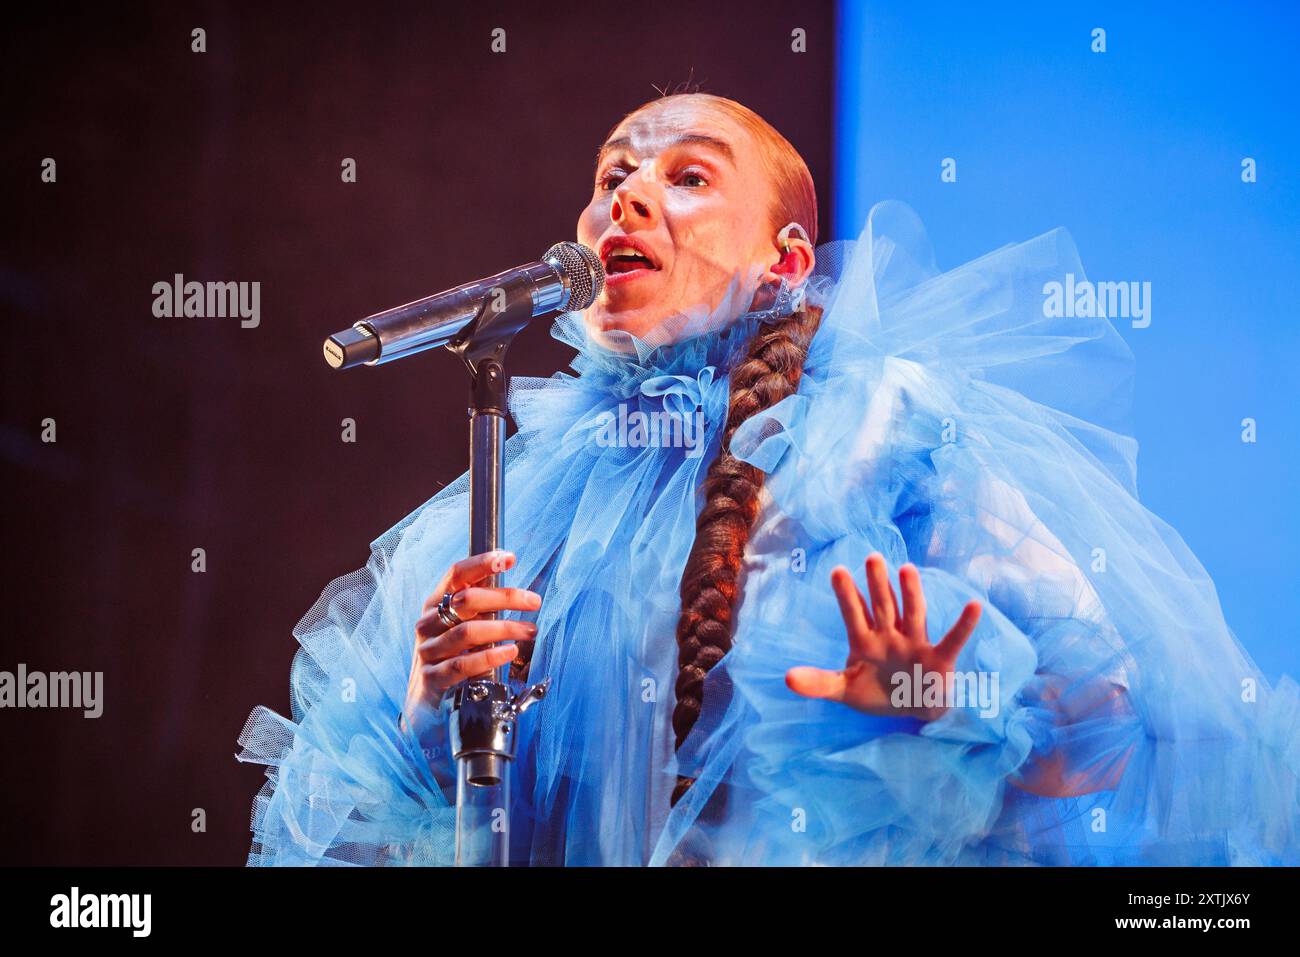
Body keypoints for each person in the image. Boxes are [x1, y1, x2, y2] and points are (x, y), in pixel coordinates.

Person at [238, 92, 1300, 866]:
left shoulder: (882, 437)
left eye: (685, 178)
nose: (629, 200)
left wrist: (937, 705)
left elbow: (1098, 731)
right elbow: (373, 831)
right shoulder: (529, 484)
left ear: (784, 262)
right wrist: (430, 710)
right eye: (611, 178)